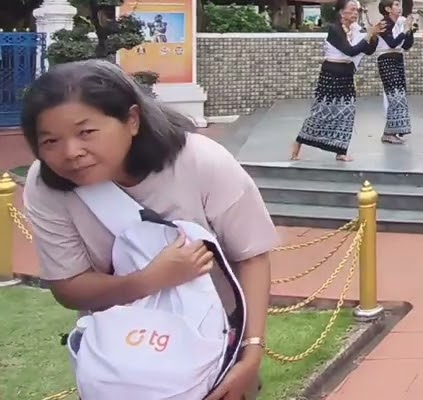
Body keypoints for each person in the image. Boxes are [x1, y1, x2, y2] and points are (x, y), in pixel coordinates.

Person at [20, 60, 276, 400]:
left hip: (216, 345)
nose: (71, 153)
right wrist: (148, 280)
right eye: (50, 141)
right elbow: (69, 286)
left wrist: (251, 352)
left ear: (132, 120)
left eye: (86, 132)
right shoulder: (45, 184)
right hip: (120, 360)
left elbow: (253, 256)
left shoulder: (200, 162)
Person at [291, 0, 381, 162]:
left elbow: (367, 50)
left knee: (346, 112)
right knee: (321, 111)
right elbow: (350, 51)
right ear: (342, 12)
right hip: (331, 73)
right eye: (352, 10)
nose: (355, 13)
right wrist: (369, 35)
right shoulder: (334, 29)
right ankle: (298, 143)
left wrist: (373, 36)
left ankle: (341, 150)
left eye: (357, 10)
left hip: (346, 74)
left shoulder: (356, 30)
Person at [374, 0, 415, 144]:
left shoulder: (399, 24)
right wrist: (404, 31)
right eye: (396, 5)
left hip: (397, 58)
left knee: (400, 95)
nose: (399, 8)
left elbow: (406, 45)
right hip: (386, 59)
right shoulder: (384, 24)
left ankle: (391, 131)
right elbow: (391, 43)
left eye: (399, 4)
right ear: (388, 9)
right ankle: (389, 132)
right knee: (394, 95)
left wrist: (409, 30)